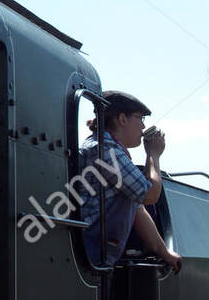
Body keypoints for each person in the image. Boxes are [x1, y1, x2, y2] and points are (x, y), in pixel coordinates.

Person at [77, 90, 182, 272]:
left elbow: (137, 207)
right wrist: (153, 155)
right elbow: (150, 195)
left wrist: (163, 251)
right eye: (140, 118)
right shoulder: (106, 151)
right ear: (122, 119)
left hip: (97, 253)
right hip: (91, 253)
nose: (143, 127)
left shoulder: (108, 149)